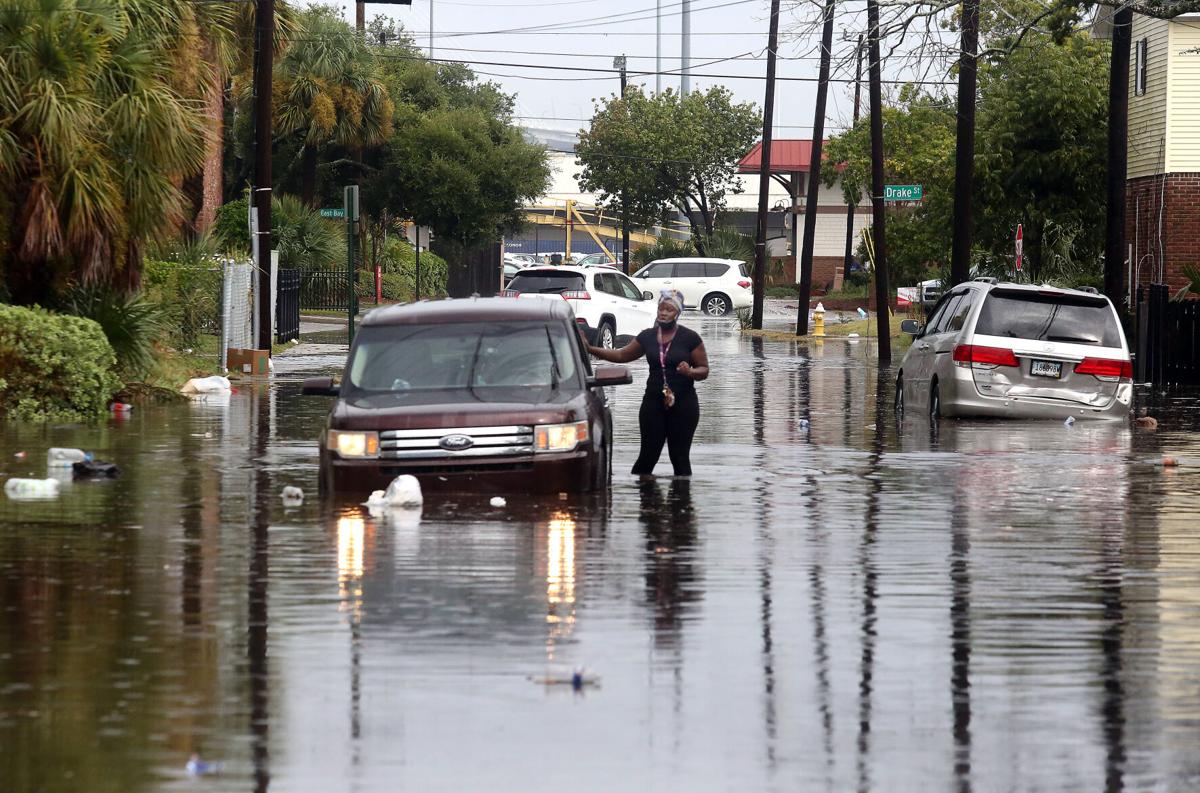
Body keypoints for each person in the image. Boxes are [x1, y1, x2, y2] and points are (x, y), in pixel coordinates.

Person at [582, 288, 709, 477]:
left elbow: (704, 369)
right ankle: (646, 503)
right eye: (661, 309)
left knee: (680, 457)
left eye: (669, 310)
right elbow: (622, 354)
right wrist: (592, 349)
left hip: (684, 405)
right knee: (647, 457)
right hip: (653, 403)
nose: (664, 313)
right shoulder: (647, 336)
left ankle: (681, 504)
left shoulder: (690, 338)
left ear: (678, 313)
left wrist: (689, 371)